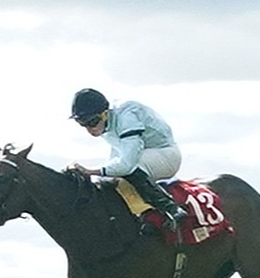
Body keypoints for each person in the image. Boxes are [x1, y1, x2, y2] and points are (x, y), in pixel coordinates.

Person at [68, 88, 187, 235]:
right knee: (105, 181)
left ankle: (171, 209)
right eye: (82, 124)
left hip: (166, 154)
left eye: (92, 122)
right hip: (145, 154)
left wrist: (90, 171)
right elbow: (117, 158)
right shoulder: (107, 122)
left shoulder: (127, 117)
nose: (89, 129)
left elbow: (127, 165)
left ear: (105, 113)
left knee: (131, 168)